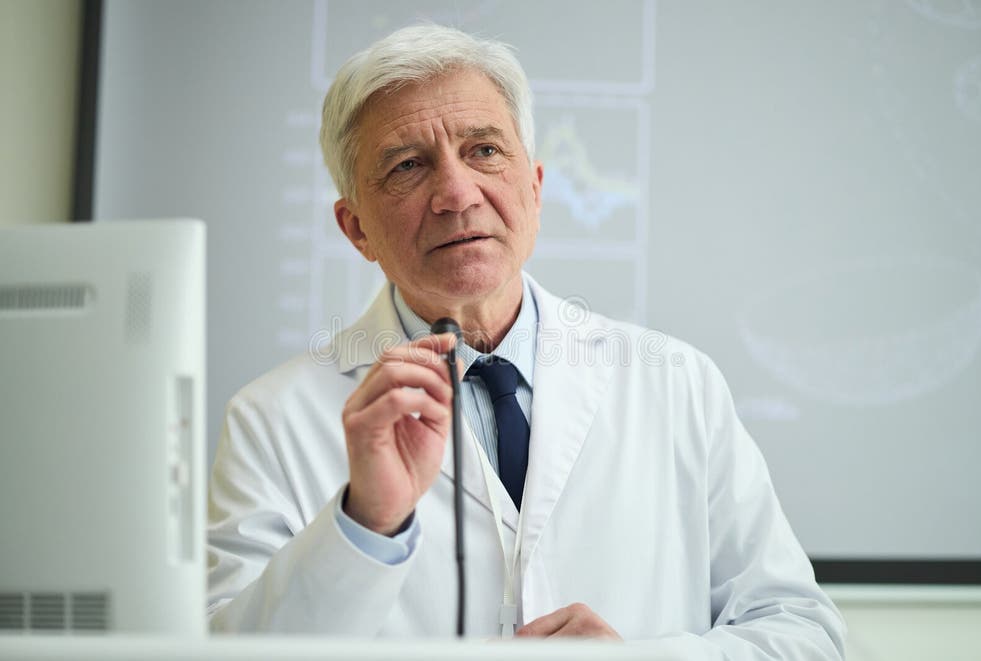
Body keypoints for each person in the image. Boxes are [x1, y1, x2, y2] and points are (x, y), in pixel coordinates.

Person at [207, 23, 846, 658]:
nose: (457, 194)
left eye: (484, 150)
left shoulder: (678, 383)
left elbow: (804, 636)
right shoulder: (272, 420)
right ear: (356, 229)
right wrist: (363, 524)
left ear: (535, 188)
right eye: (408, 165)